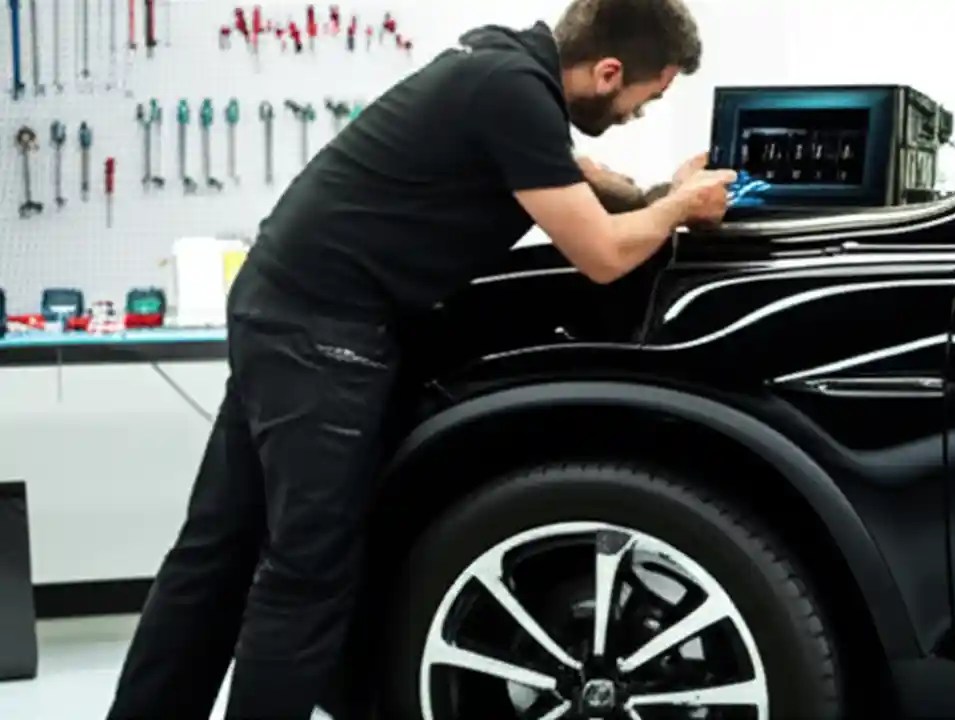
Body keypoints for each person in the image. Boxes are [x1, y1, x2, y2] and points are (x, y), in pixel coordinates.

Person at [105, 0, 735, 718]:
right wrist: (679, 209)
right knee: (308, 573)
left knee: (216, 554)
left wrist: (656, 194)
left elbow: (574, 172)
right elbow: (602, 256)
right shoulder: (513, 92)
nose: (635, 116)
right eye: (641, 102)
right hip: (325, 331)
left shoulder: (499, 63)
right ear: (609, 70)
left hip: (280, 305)